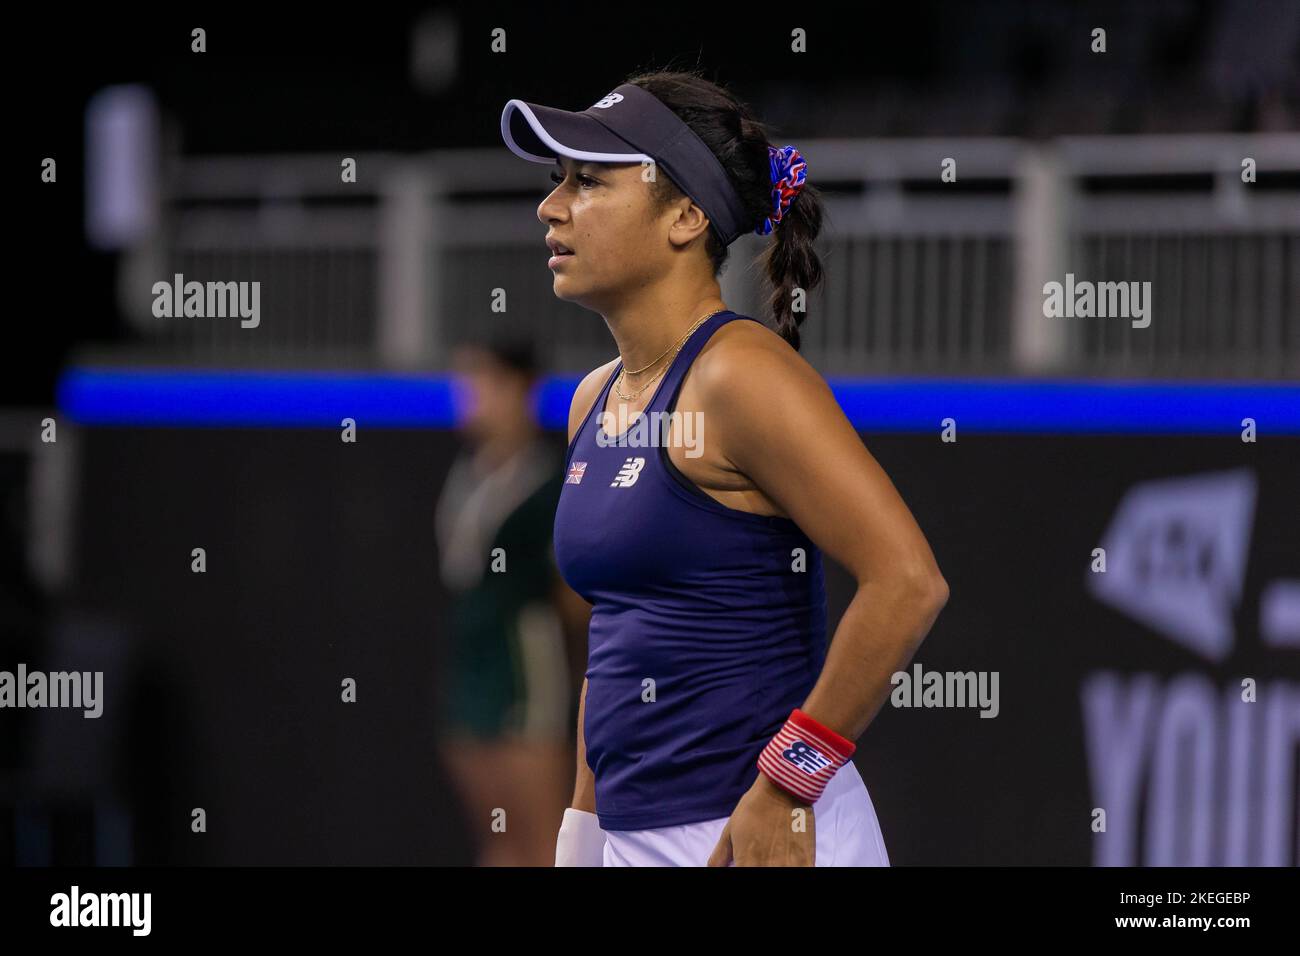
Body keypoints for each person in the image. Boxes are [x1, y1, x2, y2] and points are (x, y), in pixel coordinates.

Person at [501, 69, 949, 867]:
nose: (552, 205)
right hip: (632, 842)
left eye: (589, 181)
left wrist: (788, 785)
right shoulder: (590, 402)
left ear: (685, 216)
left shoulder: (741, 375)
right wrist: (579, 831)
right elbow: (616, 641)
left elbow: (908, 581)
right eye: (556, 180)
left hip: (760, 838)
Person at [434, 339, 582, 866]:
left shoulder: (551, 483)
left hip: (524, 675)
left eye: (479, 383)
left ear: (519, 388)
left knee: (542, 844)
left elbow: (576, 596)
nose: (466, 397)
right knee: (497, 843)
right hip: (471, 668)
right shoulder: (468, 475)